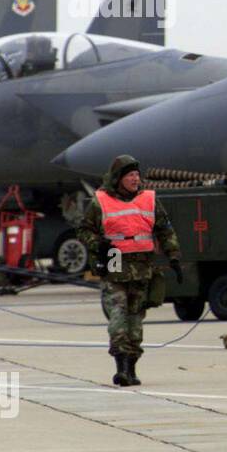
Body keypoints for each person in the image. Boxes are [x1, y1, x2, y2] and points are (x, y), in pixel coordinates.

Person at [78, 155, 181, 387]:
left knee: (136, 317)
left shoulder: (149, 200)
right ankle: (121, 367)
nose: (135, 179)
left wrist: (173, 255)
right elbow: (84, 230)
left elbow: (165, 229)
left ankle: (132, 368)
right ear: (118, 179)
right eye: (130, 175)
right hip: (115, 261)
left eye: (136, 175)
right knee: (118, 314)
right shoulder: (100, 202)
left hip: (142, 265)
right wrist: (98, 245)